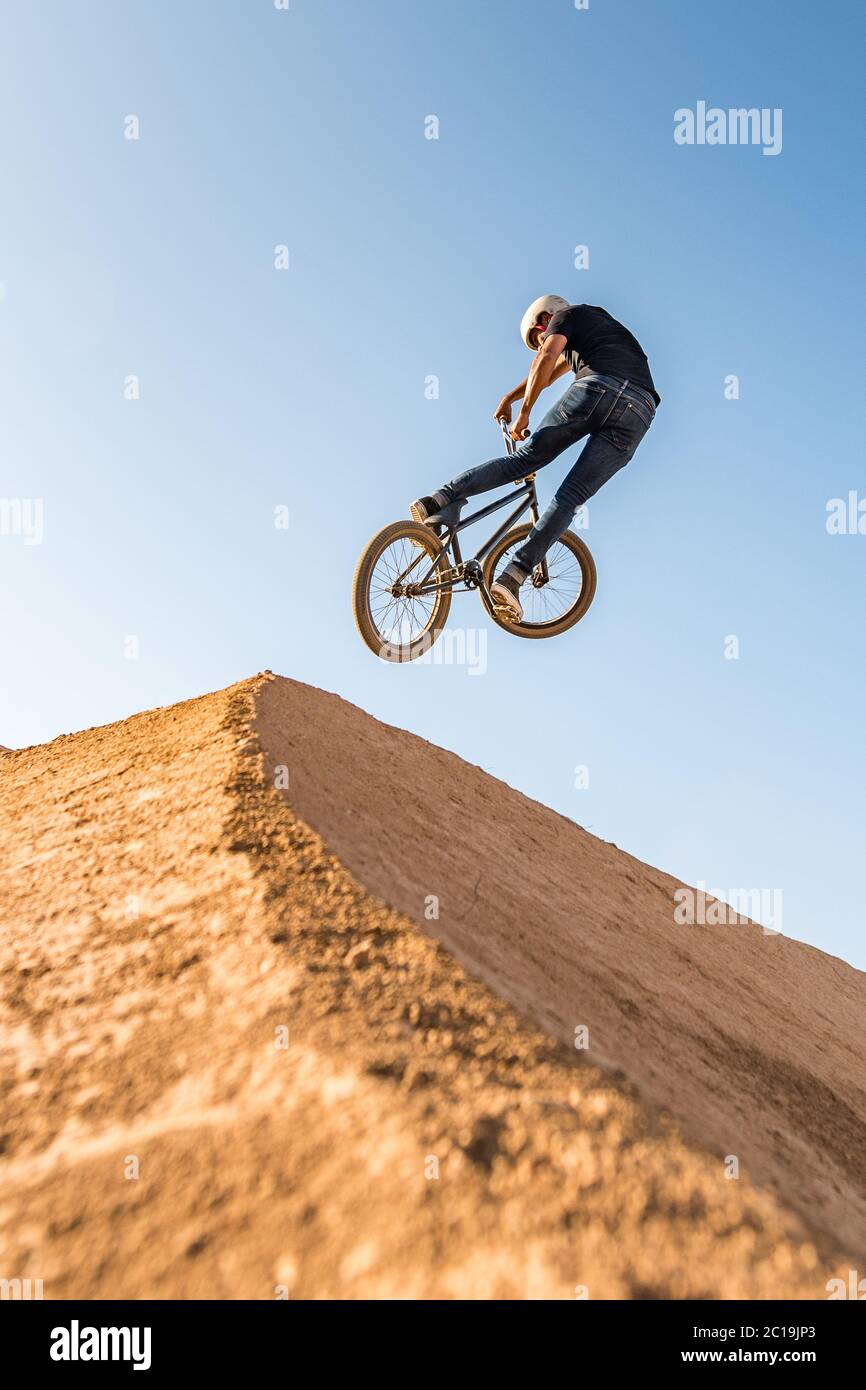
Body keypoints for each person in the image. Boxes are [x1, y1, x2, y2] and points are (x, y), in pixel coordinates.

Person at [411, 296, 660, 620]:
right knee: (570, 498)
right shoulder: (598, 327)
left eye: (536, 335)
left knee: (524, 460)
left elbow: (546, 356)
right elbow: (551, 371)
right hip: (639, 412)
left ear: (544, 318)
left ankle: (440, 499)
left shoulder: (566, 314)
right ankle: (512, 579)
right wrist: (510, 397)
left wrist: (524, 414)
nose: (539, 340)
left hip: (598, 388)